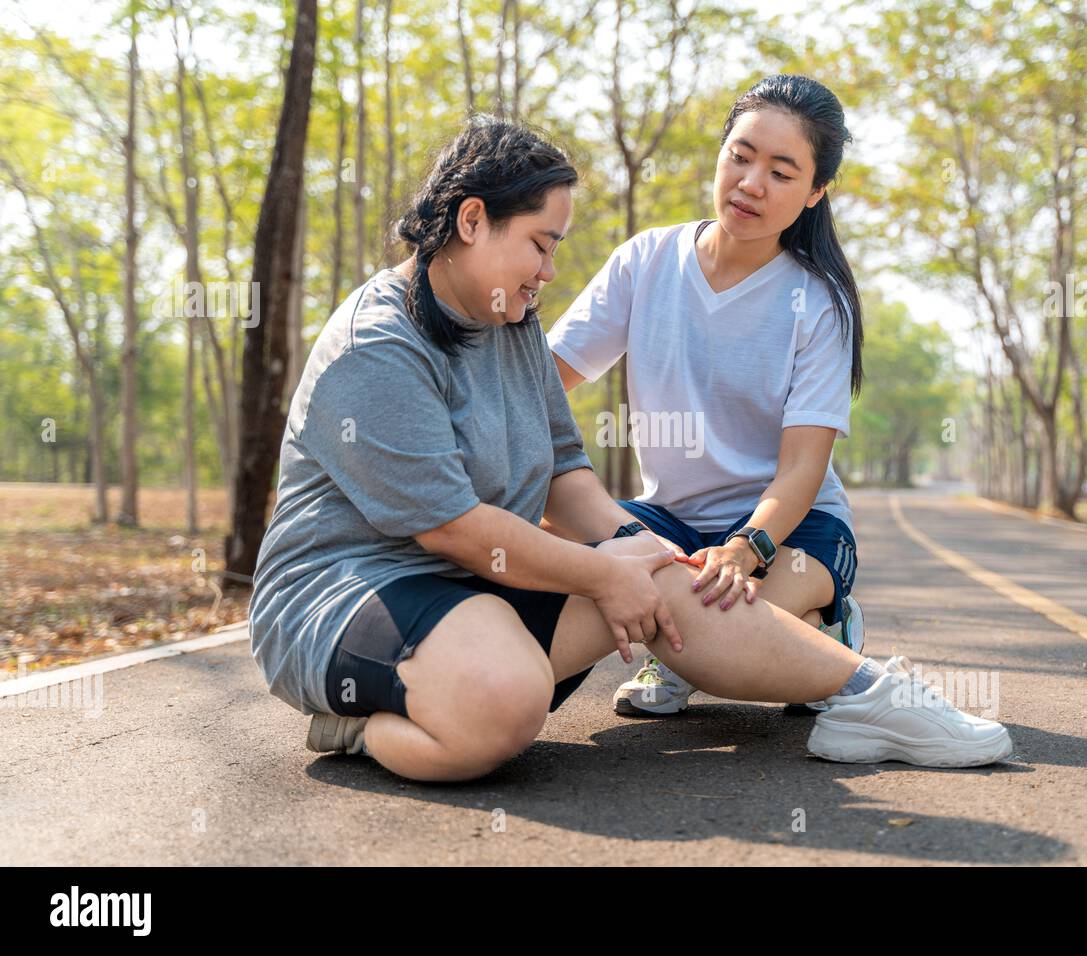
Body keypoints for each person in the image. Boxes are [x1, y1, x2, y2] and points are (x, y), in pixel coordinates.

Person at [248, 115, 1013, 784]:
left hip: (465, 585)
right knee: (504, 704)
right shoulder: (376, 345)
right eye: (541, 244)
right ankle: (357, 720)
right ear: (473, 220)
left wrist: (633, 552)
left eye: (556, 250)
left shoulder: (510, 322)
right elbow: (454, 528)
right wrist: (599, 572)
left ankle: (874, 697)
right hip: (349, 593)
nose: (551, 271)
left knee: (663, 572)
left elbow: (564, 470)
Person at [549, 75, 865, 717]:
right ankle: (689, 648)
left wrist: (748, 547)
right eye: (740, 156)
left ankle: (827, 624)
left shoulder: (818, 304)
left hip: (793, 533)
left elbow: (803, 468)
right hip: (670, 522)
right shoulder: (646, 260)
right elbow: (543, 382)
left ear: (814, 193)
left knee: (717, 634)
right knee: (551, 557)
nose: (751, 183)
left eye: (782, 172)